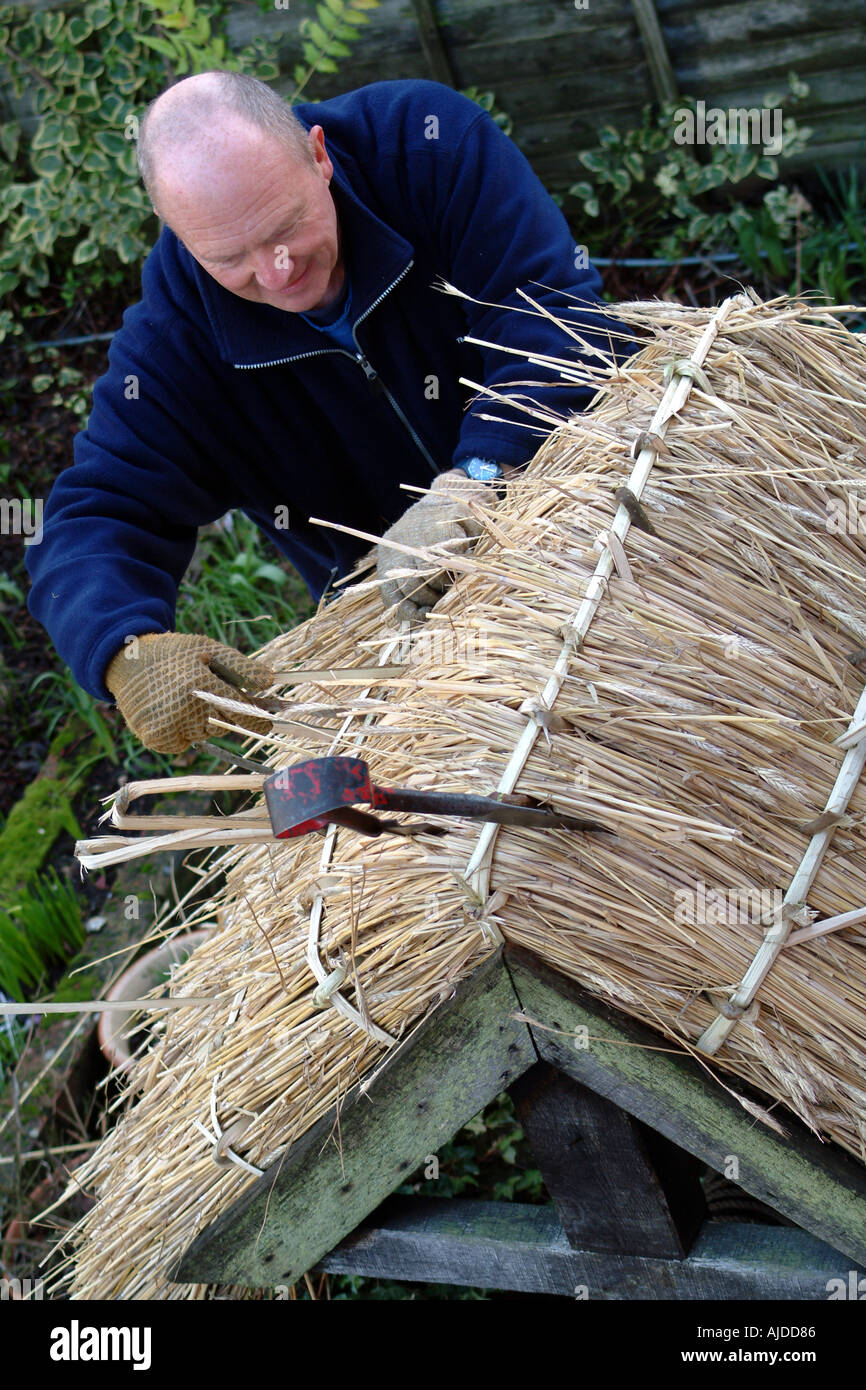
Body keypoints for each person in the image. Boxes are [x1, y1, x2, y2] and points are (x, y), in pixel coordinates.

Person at [25, 71, 632, 754]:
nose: (277, 271)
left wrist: (479, 477)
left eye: (286, 227)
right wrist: (122, 649)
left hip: (600, 518)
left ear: (320, 155)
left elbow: (553, 315)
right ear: (180, 236)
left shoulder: (426, 146)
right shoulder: (175, 345)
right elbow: (89, 518)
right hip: (423, 642)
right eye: (230, 258)